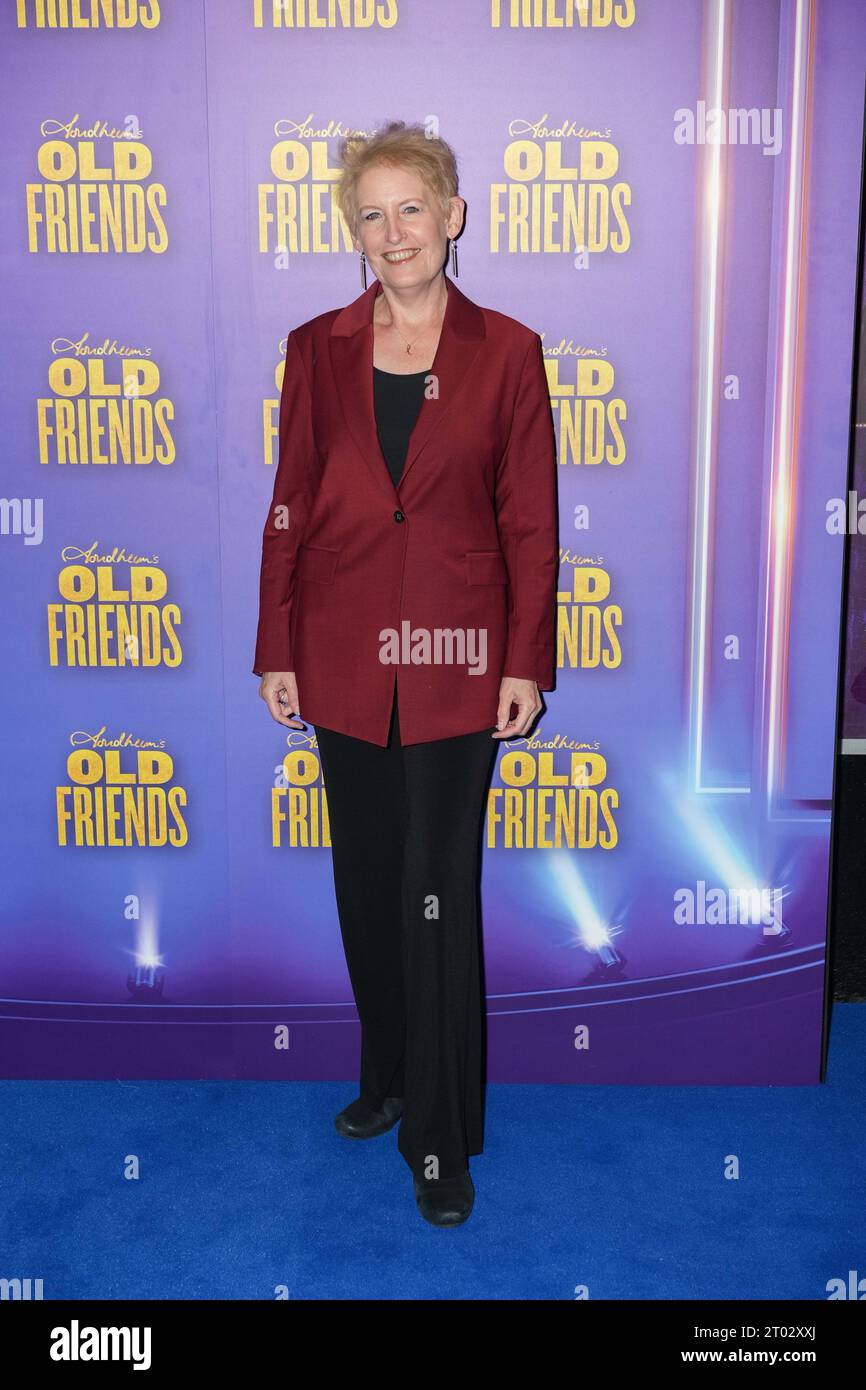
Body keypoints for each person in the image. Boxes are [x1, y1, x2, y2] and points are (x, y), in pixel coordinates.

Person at [253, 119, 558, 1226]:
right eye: (370, 214)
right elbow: (288, 503)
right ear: (353, 230)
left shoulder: (508, 351)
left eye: (411, 208)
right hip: (338, 654)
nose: (393, 233)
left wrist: (524, 660)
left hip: (455, 667)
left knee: (435, 895)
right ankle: (387, 1076)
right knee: (366, 887)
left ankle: (439, 1139)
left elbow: (529, 526)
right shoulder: (314, 347)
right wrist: (273, 643)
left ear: (453, 216)